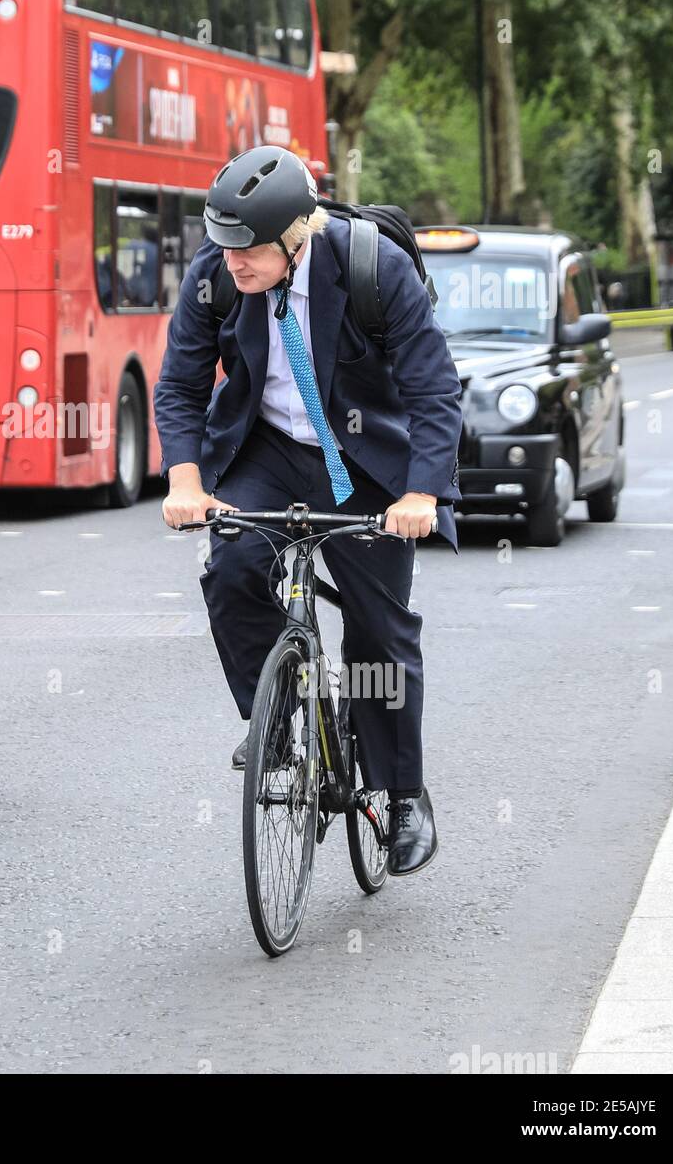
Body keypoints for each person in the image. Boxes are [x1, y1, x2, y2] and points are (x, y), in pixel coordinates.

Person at [153, 146, 463, 876]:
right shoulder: (217, 276)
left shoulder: (373, 269)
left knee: (378, 629)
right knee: (231, 564)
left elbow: (432, 390)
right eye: (224, 244)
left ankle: (402, 796)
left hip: (361, 461)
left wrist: (421, 494)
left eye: (250, 248)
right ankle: (279, 720)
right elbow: (180, 385)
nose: (233, 262)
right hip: (268, 449)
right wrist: (185, 481)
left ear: (298, 236)